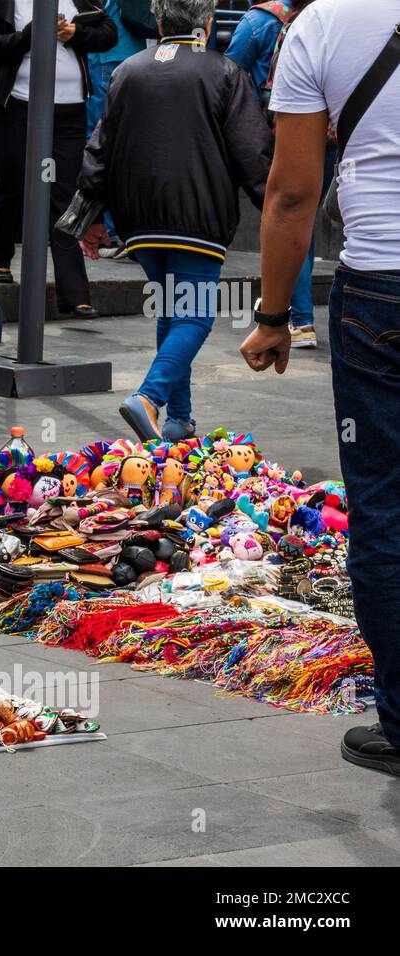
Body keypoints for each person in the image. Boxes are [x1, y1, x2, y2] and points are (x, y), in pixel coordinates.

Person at [239, 0, 400, 775]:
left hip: (382, 293)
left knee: (385, 504)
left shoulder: (323, 24)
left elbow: (293, 193)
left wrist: (273, 315)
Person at [76, 0, 271, 441]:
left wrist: (88, 213)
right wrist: (275, 206)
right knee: (195, 317)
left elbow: (99, 144)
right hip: (197, 215)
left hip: (137, 218)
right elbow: (252, 151)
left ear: (159, 22)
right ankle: (148, 396)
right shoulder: (223, 71)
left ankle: (179, 420)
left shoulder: (128, 70)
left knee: (172, 308)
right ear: (207, 22)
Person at [0, 0, 117, 318]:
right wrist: (31, 36)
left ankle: (75, 292)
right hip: (14, 104)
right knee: (12, 178)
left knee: (65, 192)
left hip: (69, 108)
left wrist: (74, 33)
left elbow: (108, 34)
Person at [226, 0, 331, 349]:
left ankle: (298, 319)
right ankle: (297, 315)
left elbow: (230, 74)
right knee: (310, 219)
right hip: (336, 134)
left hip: (284, 131)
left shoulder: (259, 20)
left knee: (289, 215)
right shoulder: (337, 19)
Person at [84, 0, 149, 257]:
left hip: (105, 56)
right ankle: (131, 229)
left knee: (103, 141)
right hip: (134, 54)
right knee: (131, 142)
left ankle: (111, 231)